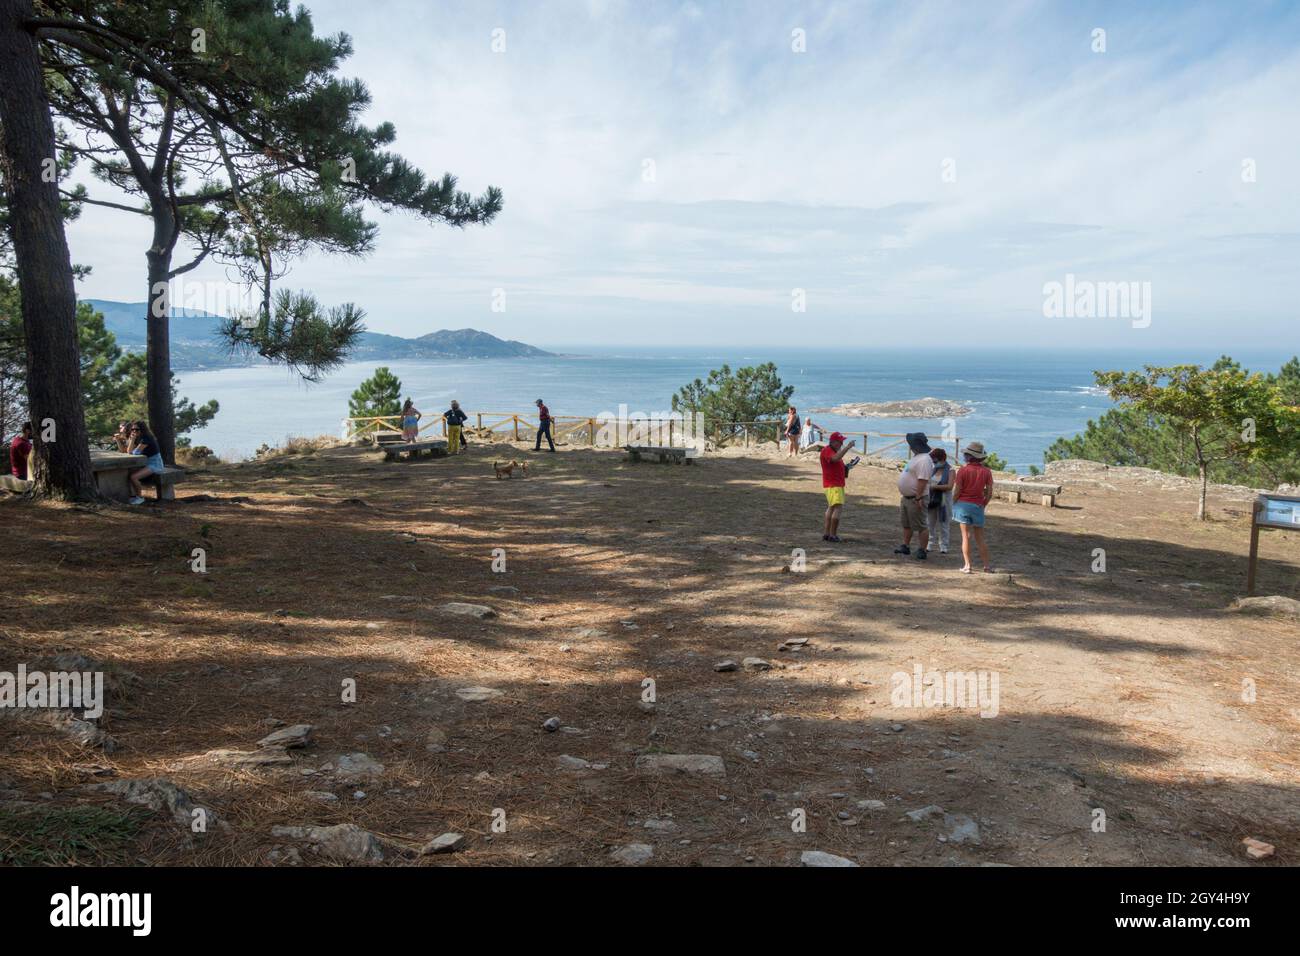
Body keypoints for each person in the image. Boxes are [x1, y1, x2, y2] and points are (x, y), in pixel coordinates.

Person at [953, 441, 995, 573]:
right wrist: (983, 504)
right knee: (980, 538)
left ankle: (968, 566)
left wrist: (952, 503)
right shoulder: (986, 472)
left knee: (966, 537)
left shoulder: (963, 470)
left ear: (968, 456)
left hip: (963, 505)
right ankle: (987, 566)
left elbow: (957, 491)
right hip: (978, 505)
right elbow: (989, 492)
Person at [894, 432, 934, 560]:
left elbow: (923, 480)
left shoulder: (924, 459)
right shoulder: (918, 457)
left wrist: (918, 497)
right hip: (907, 497)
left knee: (921, 525)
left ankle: (922, 549)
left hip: (916, 498)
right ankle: (905, 545)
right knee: (907, 524)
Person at [819, 431, 856, 542]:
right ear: (834, 442)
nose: (841, 444)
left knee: (832, 507)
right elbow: (834, 459)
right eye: (840, 442)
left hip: (835, 484)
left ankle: (827, 533)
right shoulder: (827, 451)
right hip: (833, 485)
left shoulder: (833, 451)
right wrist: (848, 448)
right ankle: (832, 535)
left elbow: (836, 462)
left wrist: (846, 468)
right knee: (837, 508)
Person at [125, 421, 165, 505]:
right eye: (132, 429)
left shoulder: (147, 438)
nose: (134, 431)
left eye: (136, 429)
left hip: (155, 464)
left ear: (142, 429)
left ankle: (140, 497)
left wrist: (132, 441)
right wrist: (132, 440)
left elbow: (134, 452)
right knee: (129, 473)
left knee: (134, 477)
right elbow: (129, 451)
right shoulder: (139, 438)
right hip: (147, 463)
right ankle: (133, 496)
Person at [926, 447, 955, 555]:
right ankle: (929, 543)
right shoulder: (933, 468)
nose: (933, 461)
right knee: (930, 522)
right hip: (932, 499)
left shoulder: (951, 470)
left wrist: (934, 487)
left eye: (934, 458)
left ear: (938, 458)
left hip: (944, 500)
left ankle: (944, 545)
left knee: (944, 523)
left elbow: (950, 486)